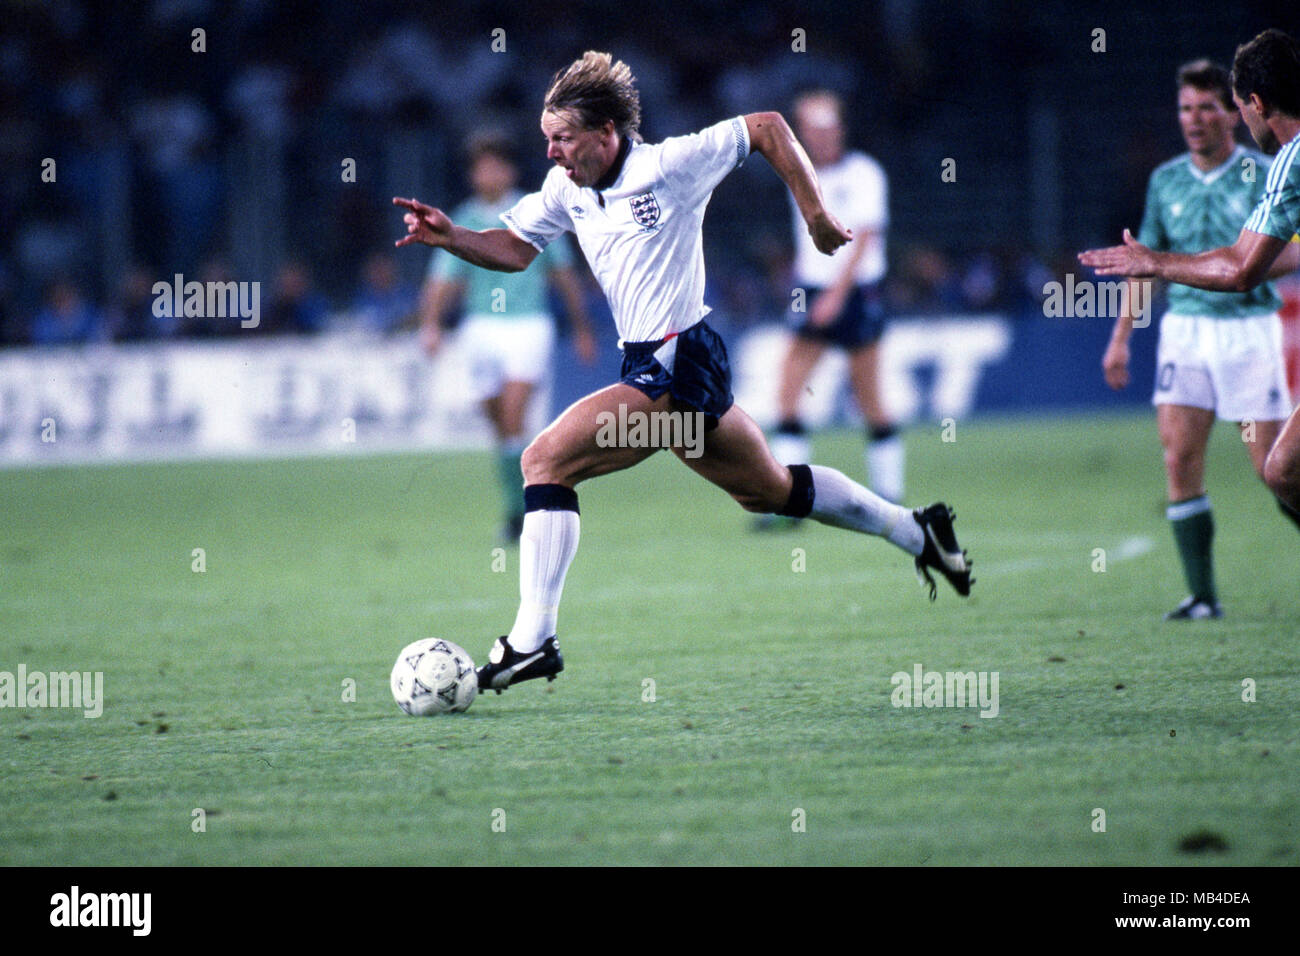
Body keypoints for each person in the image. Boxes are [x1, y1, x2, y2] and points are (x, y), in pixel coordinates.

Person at [395, 52, 972, 695]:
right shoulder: (566, 189)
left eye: (562, 139)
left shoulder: (669, 166)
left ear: (606, 131)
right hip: (667, 366)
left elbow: (768, 128)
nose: (552, 153)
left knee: (545, 461)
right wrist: (452, 239)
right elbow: (514, 247)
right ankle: (915, 529)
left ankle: (534, 640)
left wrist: (811, 212)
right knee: (770, 491)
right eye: (546, 140)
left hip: (674, 365)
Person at [1082, 29, 1300, 576]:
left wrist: (1158, 262)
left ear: (1247, 107)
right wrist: (1121, 336)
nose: (1195, 118)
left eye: (1211, 105)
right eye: (1186, 107)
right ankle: (1201, 596)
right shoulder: (1167, 182)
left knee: (1276, 469)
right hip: (1188, 331)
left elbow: (1242, 267)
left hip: (1247, 330)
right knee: (1225, 464)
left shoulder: (1279, 166)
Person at [418, 131, 596, 541]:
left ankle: (525, 513)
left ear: (510, 170)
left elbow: (563, 275)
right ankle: (516, 507)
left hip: (528, 326)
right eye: (481, 166)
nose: (489, 173)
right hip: (480, 328)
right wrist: (430, 324)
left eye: (496, 164)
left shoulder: (533, 211)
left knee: (514, 416)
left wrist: (582, 328)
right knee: (499, 425)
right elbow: (444, 280)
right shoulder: (462, 218)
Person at [768, 90, 903, 508]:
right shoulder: (800, 171)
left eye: (827, 129)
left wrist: (835, 296)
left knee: (869, 398)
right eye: (812, 130)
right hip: (812, 290)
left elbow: (864, 238)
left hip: (856, 292)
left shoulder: (864, 173)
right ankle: (788, 499)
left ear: (840, 130)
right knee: (788, 391)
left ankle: (888, 495)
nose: (821, 137)